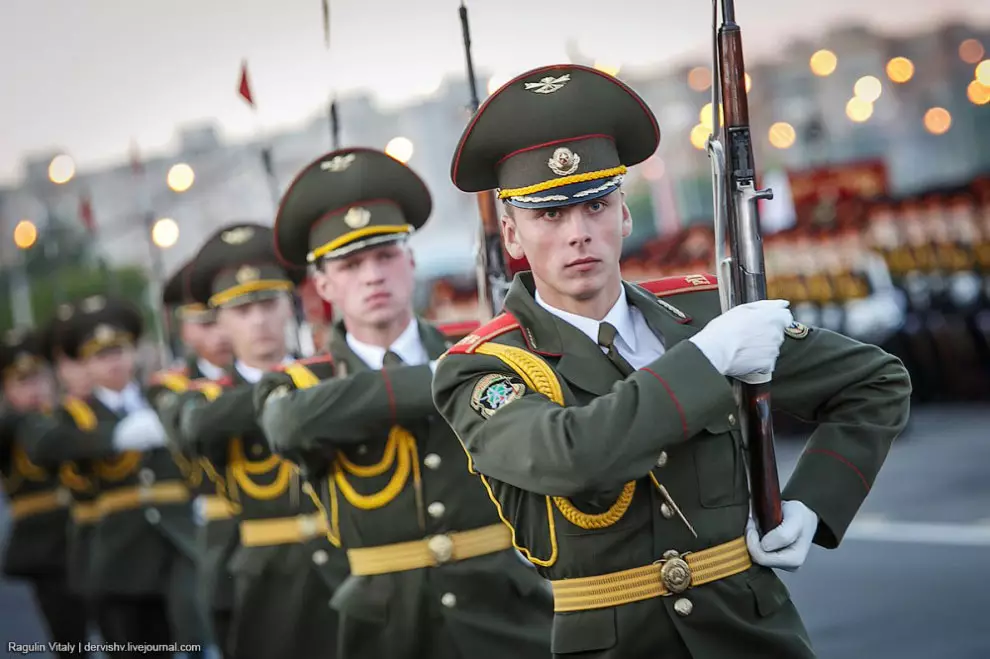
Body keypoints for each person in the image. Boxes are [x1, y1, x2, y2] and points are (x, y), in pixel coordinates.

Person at [431, 64, 913, 659]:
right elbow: (572, 455)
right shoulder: (482, 369)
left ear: (624, 215)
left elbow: (876, 381)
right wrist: (709, 359)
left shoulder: (707, 311)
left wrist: (814, 502)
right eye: (549, 214)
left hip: (752, 635)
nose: (579, 233)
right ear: (511, 234)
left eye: (596, 206)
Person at [251, 147, 553, 659]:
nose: (373, 276)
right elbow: (287, 427)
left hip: (503, 611)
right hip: (387, 627)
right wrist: (440, 378)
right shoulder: (303, 382)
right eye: (350, 265)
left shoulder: (481, 347)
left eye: (386, 256)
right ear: (322, 285)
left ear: (410, 260)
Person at [178, 222, 346, 659]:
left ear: (290, 306)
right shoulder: (207, 399)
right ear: (219, 322)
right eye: (241, 310)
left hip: (349, 569)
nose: (259, 321)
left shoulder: (334, 372)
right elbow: (197, 427)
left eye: (269, 303)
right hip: (265, 584)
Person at [59, 295, 205, 657]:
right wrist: (115, 437)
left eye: (120, 351)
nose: (114, 363)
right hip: (119, 558)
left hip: (176, 546)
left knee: (192, 642)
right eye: (100, 355)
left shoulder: (160, 398)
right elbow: (50, 445)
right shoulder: (77, 416)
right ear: (85, 365)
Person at [146, 260, 236, 656]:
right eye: (204, 323)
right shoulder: (173, 388)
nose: (217, 334)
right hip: (207, 531)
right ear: (184, 329)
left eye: (222, 319)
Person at [0, 326, 91, 658]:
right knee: (71, 643)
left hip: (88, 534)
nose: (35, 389)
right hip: (47, 547)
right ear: (7, 390)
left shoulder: (70, 416)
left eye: (38, 378)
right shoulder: (11, 428)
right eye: (21, 382)